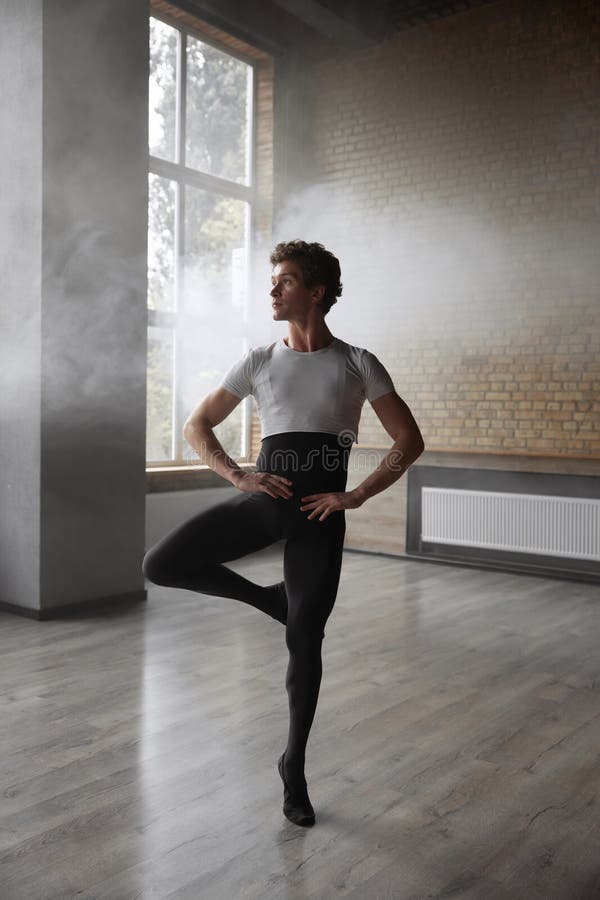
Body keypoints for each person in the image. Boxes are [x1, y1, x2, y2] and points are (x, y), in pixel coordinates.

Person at [142, 239, 425, 827]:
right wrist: (238, 475)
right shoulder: (258, 361)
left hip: (321, 520)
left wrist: (355, 493)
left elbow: (409, 440)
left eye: (286, 280)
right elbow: (197, 425)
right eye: (273, 280)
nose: (273, 290)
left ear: (316, 292)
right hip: (267, 506)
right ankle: (269, 599)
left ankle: (293, 767)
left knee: (306, 643)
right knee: (160, 565)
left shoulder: (357, 362)